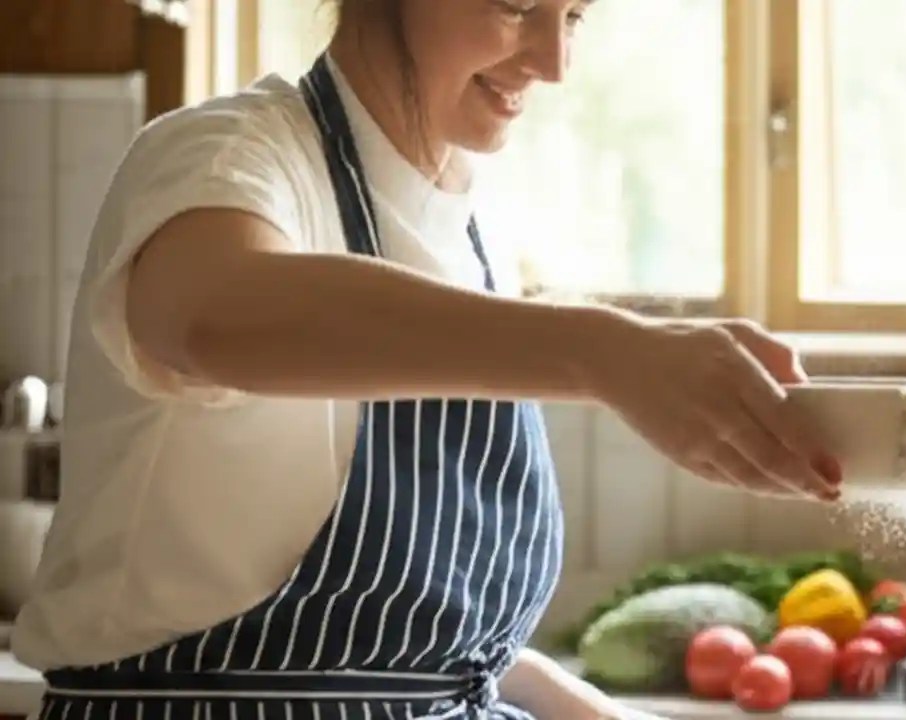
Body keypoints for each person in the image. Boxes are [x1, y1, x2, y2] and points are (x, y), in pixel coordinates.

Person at [13, 0, 843, 718]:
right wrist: (605, 351)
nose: (554, 63)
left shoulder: (478, 238)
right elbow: (212, 315)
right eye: (517, 7)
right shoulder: (227, 157)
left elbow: (415, 651)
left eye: (576, 17)